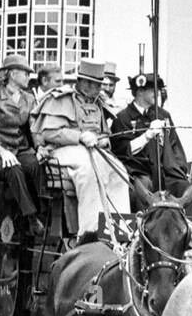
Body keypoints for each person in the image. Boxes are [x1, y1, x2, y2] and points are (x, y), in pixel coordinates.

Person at [32, 58, 131, 243]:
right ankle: (89, 233)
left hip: (93, 150)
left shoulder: (97, 103)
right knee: (89, 171)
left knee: (119, 172)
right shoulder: (61, 99)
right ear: (84, 83)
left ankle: (119, 232)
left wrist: (103, 141)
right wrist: (79, 136)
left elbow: (104, 133)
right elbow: (50, 133)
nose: (99, 89)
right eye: (96, 85)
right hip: (63, 151)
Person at [0, 53, 46, 240]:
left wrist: (40, 148)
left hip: (20, 148)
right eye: (25, 73)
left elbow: (34, 128)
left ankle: (43, 211)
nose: (28, 77)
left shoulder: (29, 98)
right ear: (13, 74)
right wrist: (1, 151)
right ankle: (31, 218)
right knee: (13, 169)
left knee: (35, 165)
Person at [109, 72, 191, 204]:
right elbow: (123, 151)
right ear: (140, 91)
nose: (158, 92)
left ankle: (182, 224)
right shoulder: (122, 118)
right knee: (143, 187)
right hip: (139, 173)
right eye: (153, 89)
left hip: (164, 172)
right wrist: (147, 135)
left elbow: (175, 146)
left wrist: (181, 170)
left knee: (182, 186)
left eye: (159, 89)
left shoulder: (163, 115)